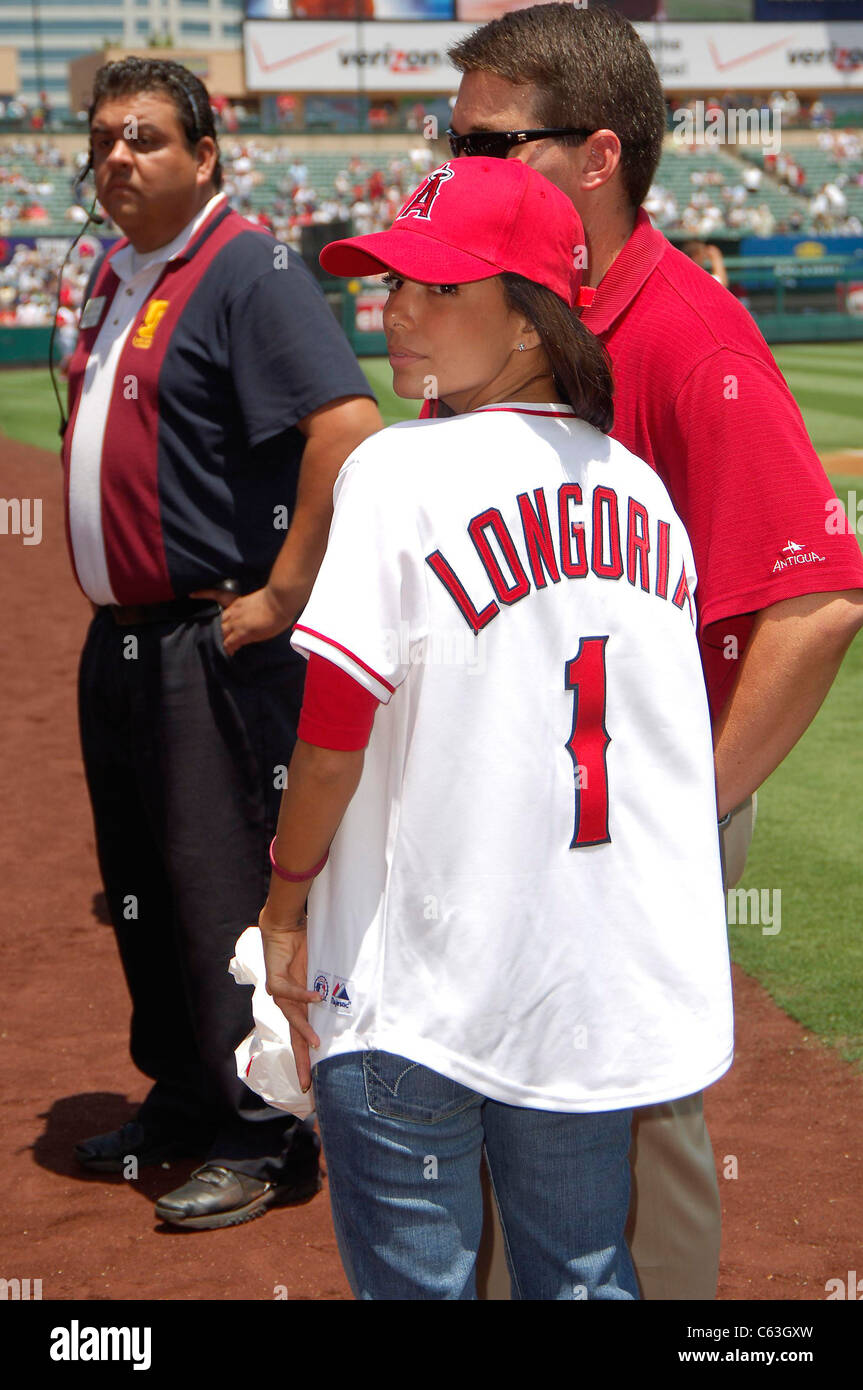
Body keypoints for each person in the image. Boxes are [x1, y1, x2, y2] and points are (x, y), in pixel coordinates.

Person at [256, 155, 735, 1301]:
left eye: (439, 289)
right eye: (390, 283)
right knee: (578, 1272)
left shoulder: (397, 469)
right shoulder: (640, 490)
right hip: (582, 991)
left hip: (413, 982)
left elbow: (331, 731)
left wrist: (280, 904)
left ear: (529, 325)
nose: (398, 310)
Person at [444, 3, 863, 1299]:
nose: (460, 165)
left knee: (628, 1112)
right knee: (506, 1091)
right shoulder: (503, 308)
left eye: (490, 142)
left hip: (628, 799)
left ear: (596, 155)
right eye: (449, 137)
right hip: (517, 790)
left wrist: (691, 805)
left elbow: (814, 602)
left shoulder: (685, 335)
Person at [65, 57, 382, 1229]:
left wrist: (289, 586)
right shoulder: (116, 268)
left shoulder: (247, 263)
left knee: (219, 888)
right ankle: (189, 1091)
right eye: (102, 138)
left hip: (215, 636)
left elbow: (347, 427)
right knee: (146, 882)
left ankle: (268, 1131)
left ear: (205, 154)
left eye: (144, 137)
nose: (117, 157)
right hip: (127, 639)